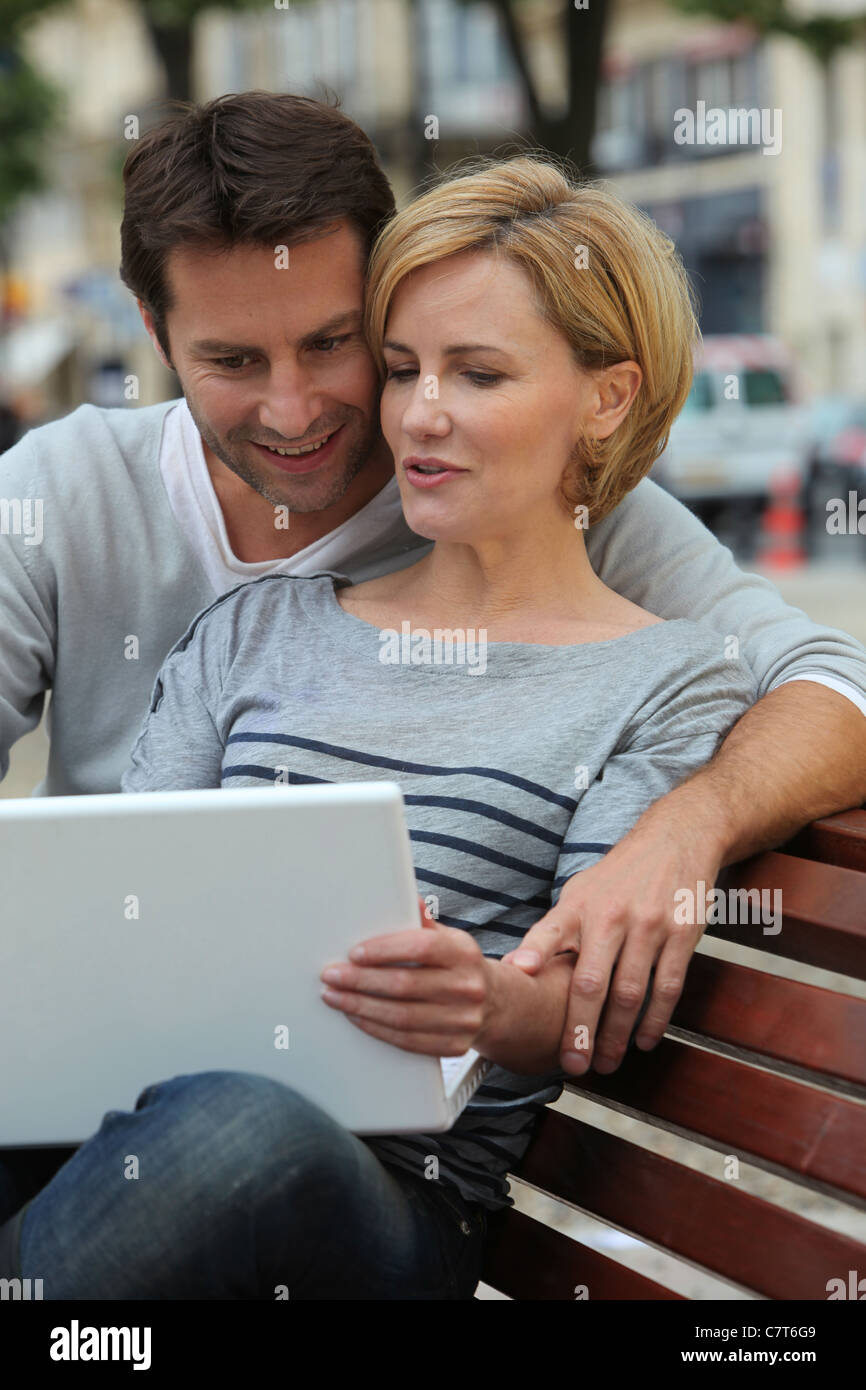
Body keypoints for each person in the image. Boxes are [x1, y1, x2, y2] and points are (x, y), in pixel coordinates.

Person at [2, 154, 761, 1299]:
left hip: (387, 1205)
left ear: (604, 398)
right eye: (401, 369)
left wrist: (488, 1000)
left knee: (241, 1128)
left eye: (478, 374)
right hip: (129, 1141)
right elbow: (129, 909)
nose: (419, 414)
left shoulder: (666, 679)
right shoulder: (257, 627)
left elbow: (585, 994)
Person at [0, 91, 864, 1085]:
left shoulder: (557, 510)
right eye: (233, 360)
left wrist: (687, 824)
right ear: (156, 336)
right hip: (116, 1063)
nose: (292, 410)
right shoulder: (60, 493)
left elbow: (835, 690)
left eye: (333, 343)